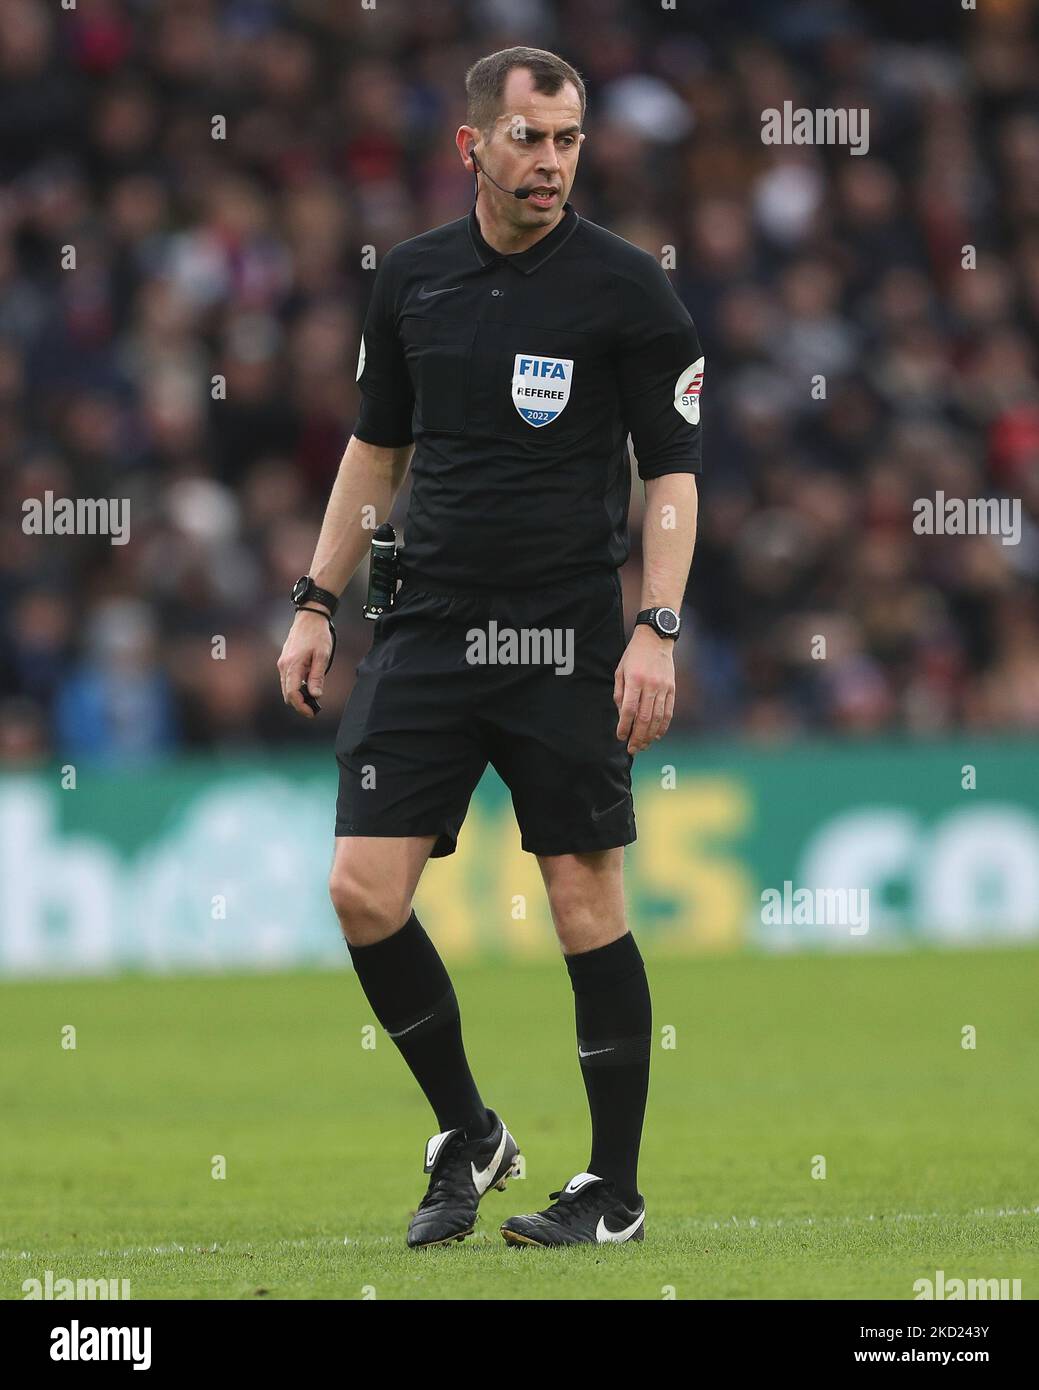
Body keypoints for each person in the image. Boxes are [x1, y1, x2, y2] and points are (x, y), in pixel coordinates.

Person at [277, 45, 703, 1248]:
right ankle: (469, 1130)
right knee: (361, 891)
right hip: (426, 627)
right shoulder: (411, 278)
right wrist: (315, 598)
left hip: (566, 634)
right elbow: (376, 451)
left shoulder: (629, 291)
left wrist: (655, 624)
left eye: (568, 142)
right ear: (472, 144)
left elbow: (671, 472)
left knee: (584, 899)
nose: (551, 164)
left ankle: (610, 1195)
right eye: (529, 139)